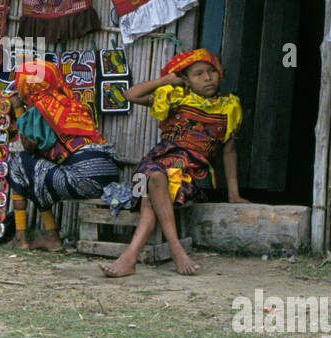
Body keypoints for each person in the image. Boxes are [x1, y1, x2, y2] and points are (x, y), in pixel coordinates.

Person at [104, 49, 248, 278]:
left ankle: (131, 256)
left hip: (191, 177)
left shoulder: (229, 107)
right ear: (186, 81)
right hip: (144, 174)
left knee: (155, 186)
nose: (207, 78)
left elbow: (229, 151)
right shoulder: (175, 99)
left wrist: (234, 194)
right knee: (153, 177)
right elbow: (129, 95)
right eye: (198, 74)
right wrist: (165, 81)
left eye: (212, 72)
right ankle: (176, 248)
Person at [4, 59, 120, 250]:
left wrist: (18, 109)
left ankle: (23, 237)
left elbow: (29, 147)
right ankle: (50, 236)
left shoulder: (41, 108)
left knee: (18, 163)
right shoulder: (68, 102)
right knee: (36, 171)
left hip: (84, 178)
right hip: (108, 175)